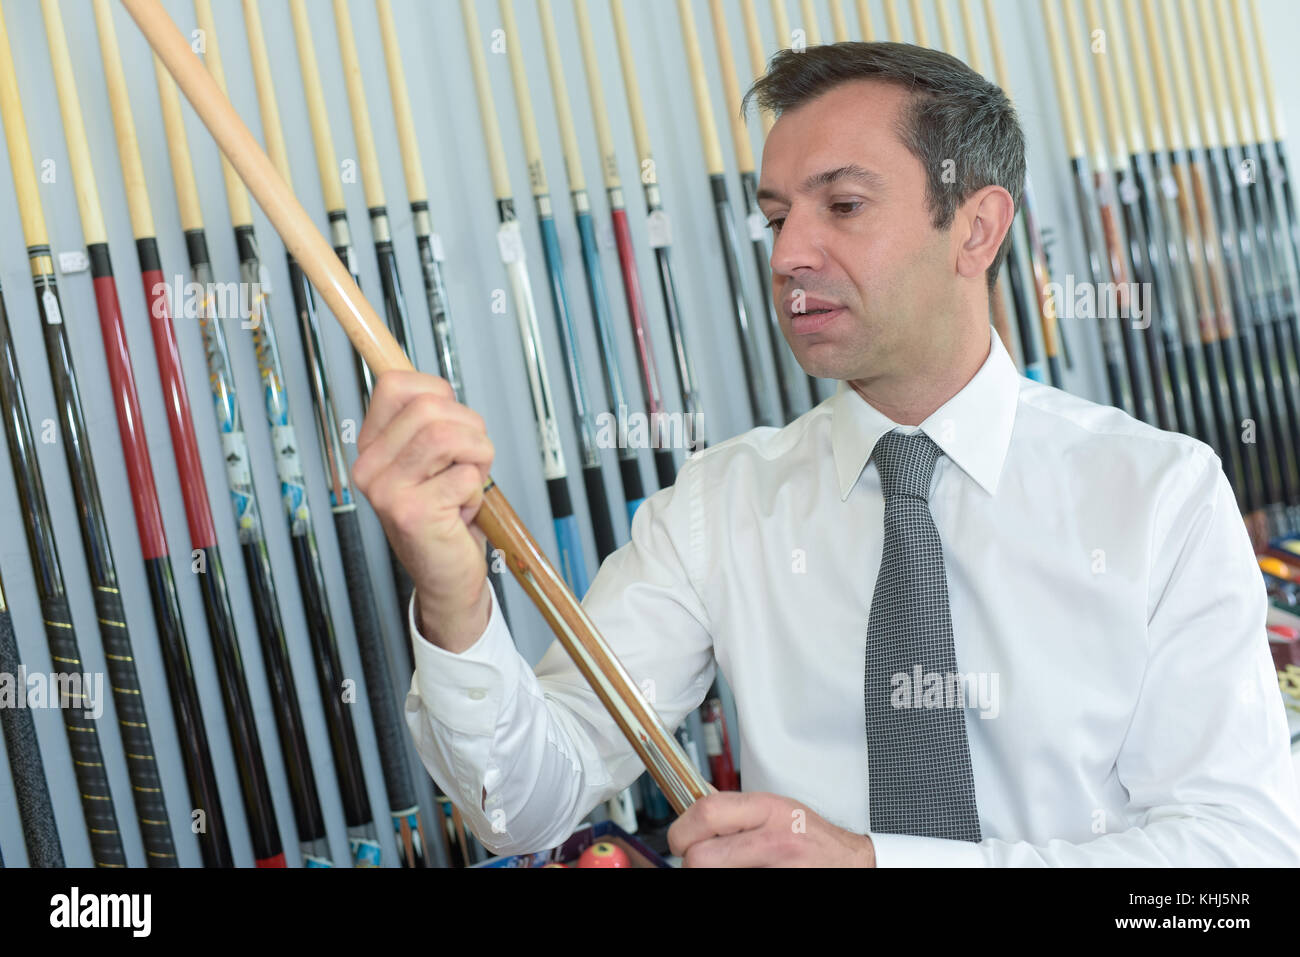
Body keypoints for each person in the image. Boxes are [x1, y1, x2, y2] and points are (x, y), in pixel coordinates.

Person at [352, 41, 1300, 866]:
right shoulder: (719, 505)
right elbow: (524, 808)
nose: (789, 253)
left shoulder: (1158, 495)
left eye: (841, 205)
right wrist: (454, 593)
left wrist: (876, 863)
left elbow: (1226, 874)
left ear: (976, 227)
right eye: (775, 217)